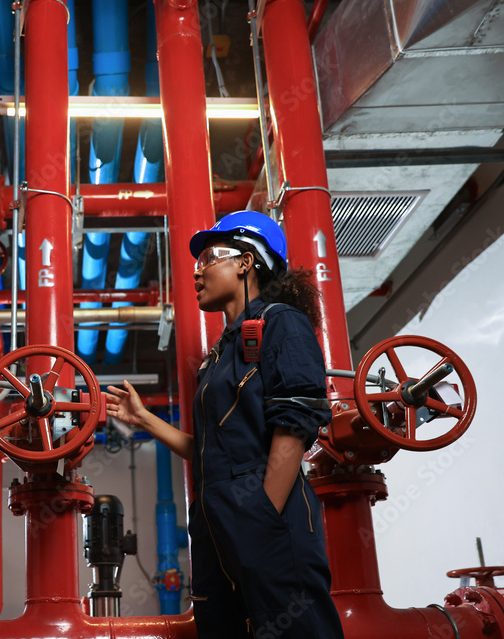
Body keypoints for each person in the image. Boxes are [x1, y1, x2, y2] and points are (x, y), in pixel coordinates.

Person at [104, 211, 344, 638]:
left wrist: (263, 518)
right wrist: (143, 419)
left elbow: (295, 422)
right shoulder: (220, 354)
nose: (197, 270)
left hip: (266, 515)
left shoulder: (282, 321)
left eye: (210, 257)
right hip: (215, 524)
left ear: (247, 261)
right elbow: (211, 449)